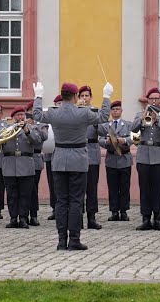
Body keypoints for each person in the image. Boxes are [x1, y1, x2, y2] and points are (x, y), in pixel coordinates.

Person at [31, 80, 113, 250]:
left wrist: (38, 96)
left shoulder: (54, 112)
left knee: (61, 201)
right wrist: (106, 97)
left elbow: (36, 114)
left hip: (59, 159)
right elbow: (104, 117)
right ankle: (74, 239)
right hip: (78, 160)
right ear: (75, 96)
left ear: (62, 96)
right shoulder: (83, 113)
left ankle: (62, 240)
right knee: (76, 201)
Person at [132, 89, 160, 231]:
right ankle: (145, 218)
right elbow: (133, 130)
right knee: (145, 188)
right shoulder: (140, 114)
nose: (154, 101)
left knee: (159, 189)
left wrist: (157, 120)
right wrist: (143, 117)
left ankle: (158, 218)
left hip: (159, 155)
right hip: (144, 155)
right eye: (152, 98)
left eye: (157, 99)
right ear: (148, 100)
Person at [0, 106, 44, 228]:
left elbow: (37, 141)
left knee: (25, 194)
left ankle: (23, 218)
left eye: (22, 115)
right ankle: (13, 218)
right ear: (13, 117)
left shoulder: (32, 128)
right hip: (10, 164)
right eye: (17, 115)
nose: (20, 117)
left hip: (26, 164)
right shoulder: (6, 129)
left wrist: (26, 130)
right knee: (12, 194)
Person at [98, 100, 133, 221]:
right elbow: (100, 139)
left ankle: (124, 211)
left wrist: (125, 141)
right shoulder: (106, 126)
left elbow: (135, 137)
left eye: (117, 109)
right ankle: (114, 211)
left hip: (124, 158)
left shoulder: (128, 124)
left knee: (124, 186)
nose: (115, 111)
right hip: (111, 159)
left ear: (121, 111)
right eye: (113, 109)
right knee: (112, 186)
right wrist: (106, 142)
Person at [77, 85, 104, 230]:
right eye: (82, 96)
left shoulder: (96, 112)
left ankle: (91, 217)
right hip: (79, 151)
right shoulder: (75, 112)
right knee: (78, 187)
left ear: (91, 98)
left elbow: (104, 130)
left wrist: (96, 122)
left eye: (86, 96)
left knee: (92, 187)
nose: (84, 98)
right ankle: (78, 217)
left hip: (92, 152)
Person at [43, 94, 61, 221]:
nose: (60, 106)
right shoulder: (49, 118)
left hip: (62, 155)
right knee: (52, 183)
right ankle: (55, 208)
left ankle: (62, 208)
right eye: (58, 104)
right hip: (50, 155)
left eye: (62, 104)